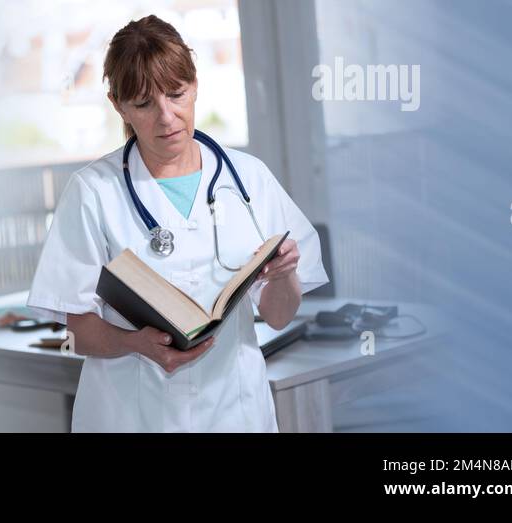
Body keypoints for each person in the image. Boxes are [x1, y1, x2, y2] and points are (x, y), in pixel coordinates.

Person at [27, 15, 329, 432]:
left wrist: (284, 275)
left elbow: (278, 317)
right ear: (118, 104)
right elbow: (77, 333)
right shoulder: (93, 192)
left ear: (195, 85)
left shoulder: (249, 179)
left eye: (176, 94)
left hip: (233, 411)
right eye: (144, 104)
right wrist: (134, 343)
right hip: (132, 413)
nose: (166, 117)